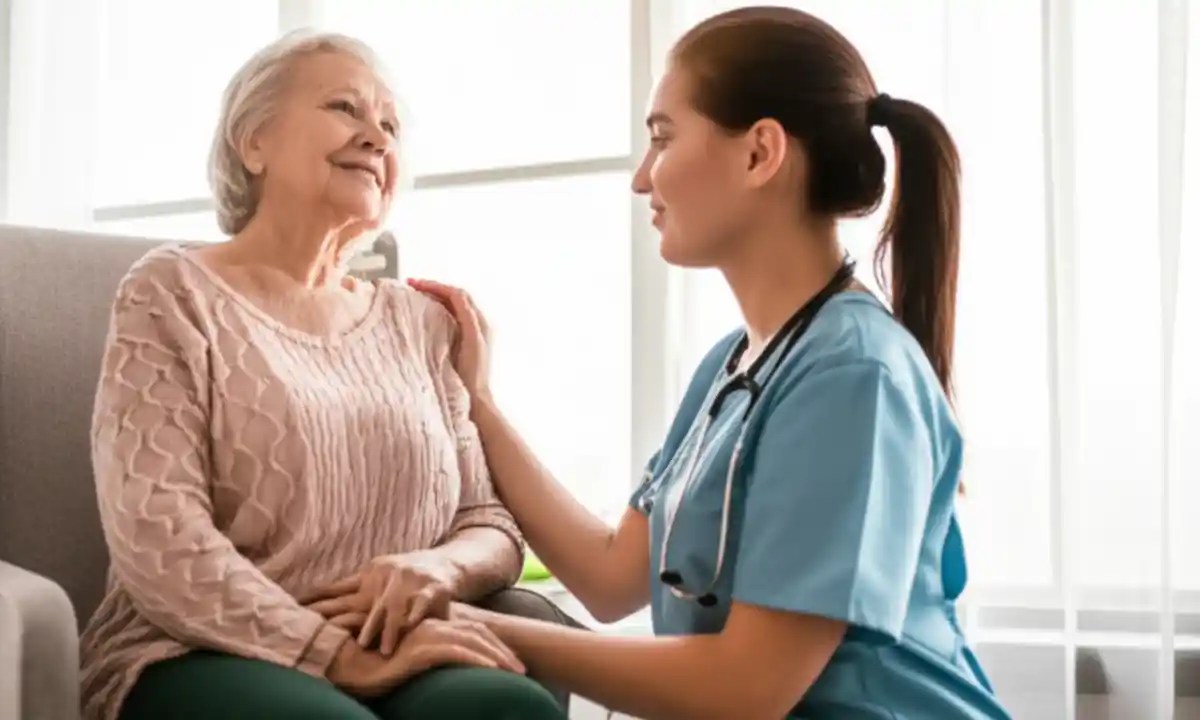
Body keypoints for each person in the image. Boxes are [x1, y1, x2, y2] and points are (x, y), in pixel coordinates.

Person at [410, 6, 1013, 719]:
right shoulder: (734, 366)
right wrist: (478, 401)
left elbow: (745, 688)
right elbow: (611, 576)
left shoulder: (855, 375)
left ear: (760, 153)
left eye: (663, 138)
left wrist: (467, 626)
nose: (642, 178)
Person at [78, 30, 565, 720]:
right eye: (345, 107)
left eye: (390, 124)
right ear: (254, 144)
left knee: (504, 707)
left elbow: (485, 520)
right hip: (199, 645)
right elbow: (159, 537)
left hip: (395, 637)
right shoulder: (171, 292)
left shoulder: (422, 322)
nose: (377, 137)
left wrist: (439, 567)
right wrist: (329, 653)